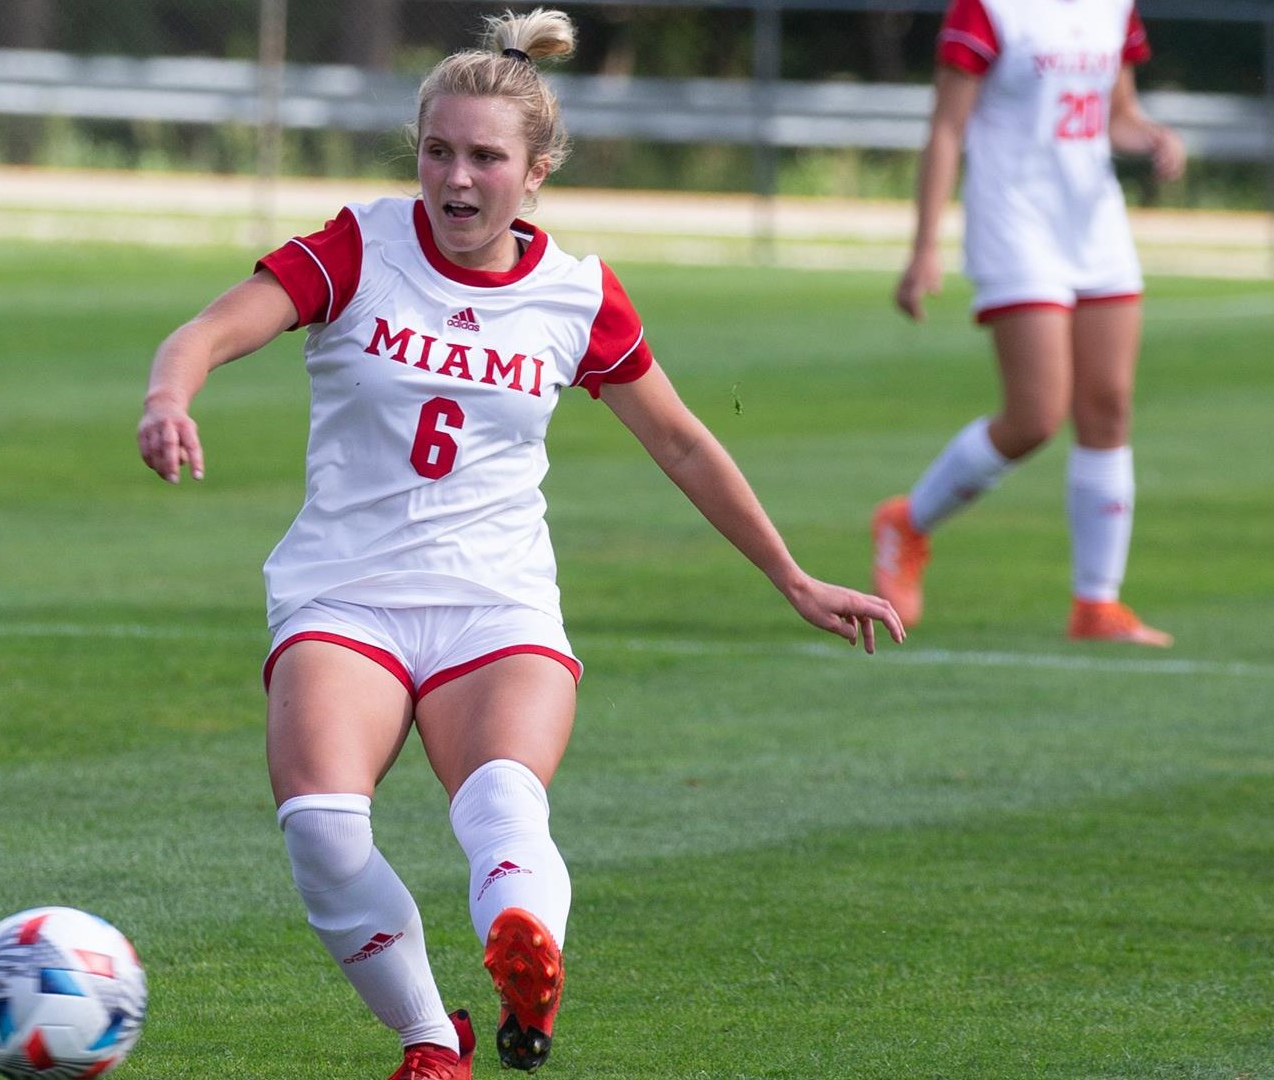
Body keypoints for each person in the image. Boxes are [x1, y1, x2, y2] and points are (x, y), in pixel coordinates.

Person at [138, 9, 904, 1077]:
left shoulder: (575, 295)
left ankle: (524, 962)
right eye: (437, 152)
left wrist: (791, 575)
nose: (455, 178)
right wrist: (169, 397)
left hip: (494, 605)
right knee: (319, 826)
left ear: (534, 172)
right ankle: (430, 1040)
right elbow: (209, 331)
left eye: (484, 157)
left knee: (501, 796)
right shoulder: (360, 246)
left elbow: (681, 444)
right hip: (344, 596)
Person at [877, 0, 1185, 646]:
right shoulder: (988, 8)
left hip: (1093, 223)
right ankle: (907, 522)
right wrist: (924, 247)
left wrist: (1152, 136)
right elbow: (945, 129)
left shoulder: (1111, 7)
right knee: (1034, 418)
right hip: (1014, 223)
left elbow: (1116, 116)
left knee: (1109, 405)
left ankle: (1095, 606)